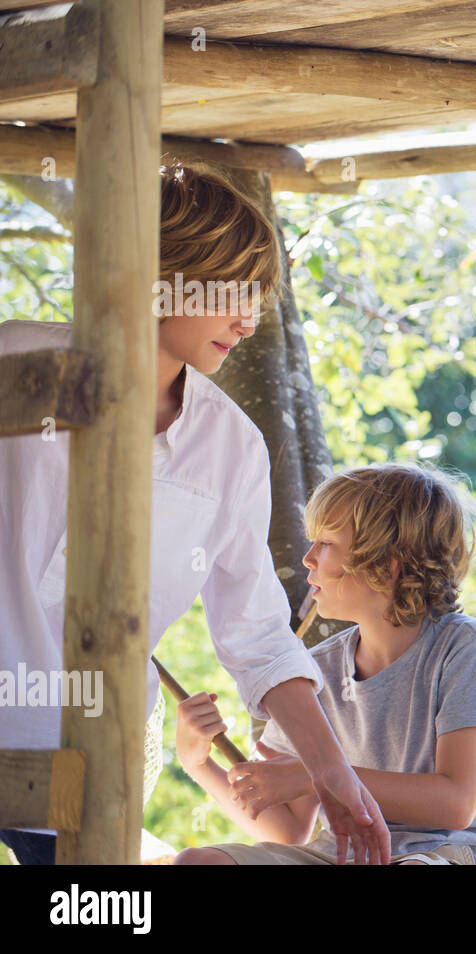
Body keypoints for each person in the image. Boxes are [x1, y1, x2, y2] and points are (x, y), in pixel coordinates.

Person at [0, 158, 389, 865]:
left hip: (95, 761)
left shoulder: (233, 449)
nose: (246, 322)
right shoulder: (12, 362)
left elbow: (260, 637)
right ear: (160, 272)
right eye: (229, 293)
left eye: (257, 298)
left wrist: (335, 776)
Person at [171, 462, 476, 865]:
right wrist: (198, 764)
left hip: (447, 852)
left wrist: (313, 775)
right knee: (197, 863)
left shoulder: (467, 646)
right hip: (345, 854)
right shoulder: (311, 671)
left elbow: (456, 803)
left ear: (387, 564)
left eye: (326, 543)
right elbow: (288, 829)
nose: (307, 559)